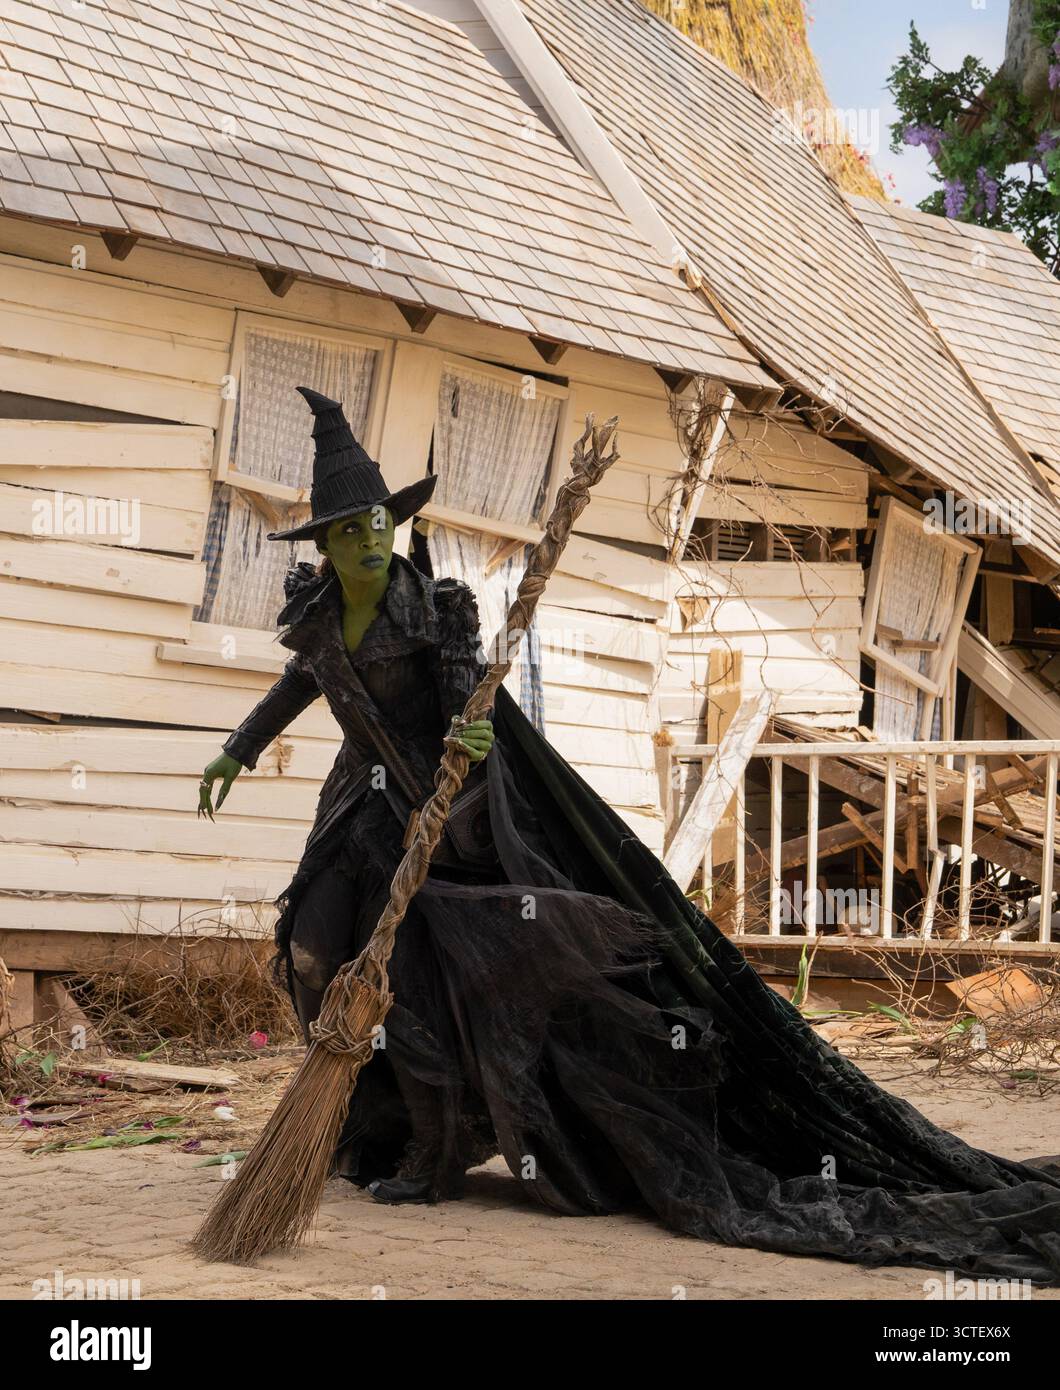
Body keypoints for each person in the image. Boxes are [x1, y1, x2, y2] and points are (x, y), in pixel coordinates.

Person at [199, 387, 1060, 1278]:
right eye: (352, 530)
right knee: (312, 948)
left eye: (380, 521)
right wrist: (238, 751)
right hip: (357, 811)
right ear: (331, 545)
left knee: (414, 981)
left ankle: (430, 1151)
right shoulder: (318, 616)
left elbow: (465, 695)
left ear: (391, 525)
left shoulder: (438, 607)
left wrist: (471, 731)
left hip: (443, 815)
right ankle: (357, 1119)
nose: (371, 538)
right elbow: (302, 684)